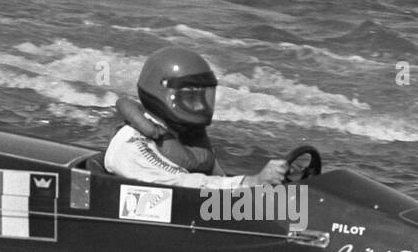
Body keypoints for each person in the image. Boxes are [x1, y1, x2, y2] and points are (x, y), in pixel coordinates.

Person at [104, 47, 287, 189]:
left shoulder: (187, 139)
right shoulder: (132, 146)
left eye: (203, 96)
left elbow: (218, 181)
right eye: (190, 98)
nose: (200, 105)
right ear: (161, 93)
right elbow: (184, 185)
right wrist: (252, 182)